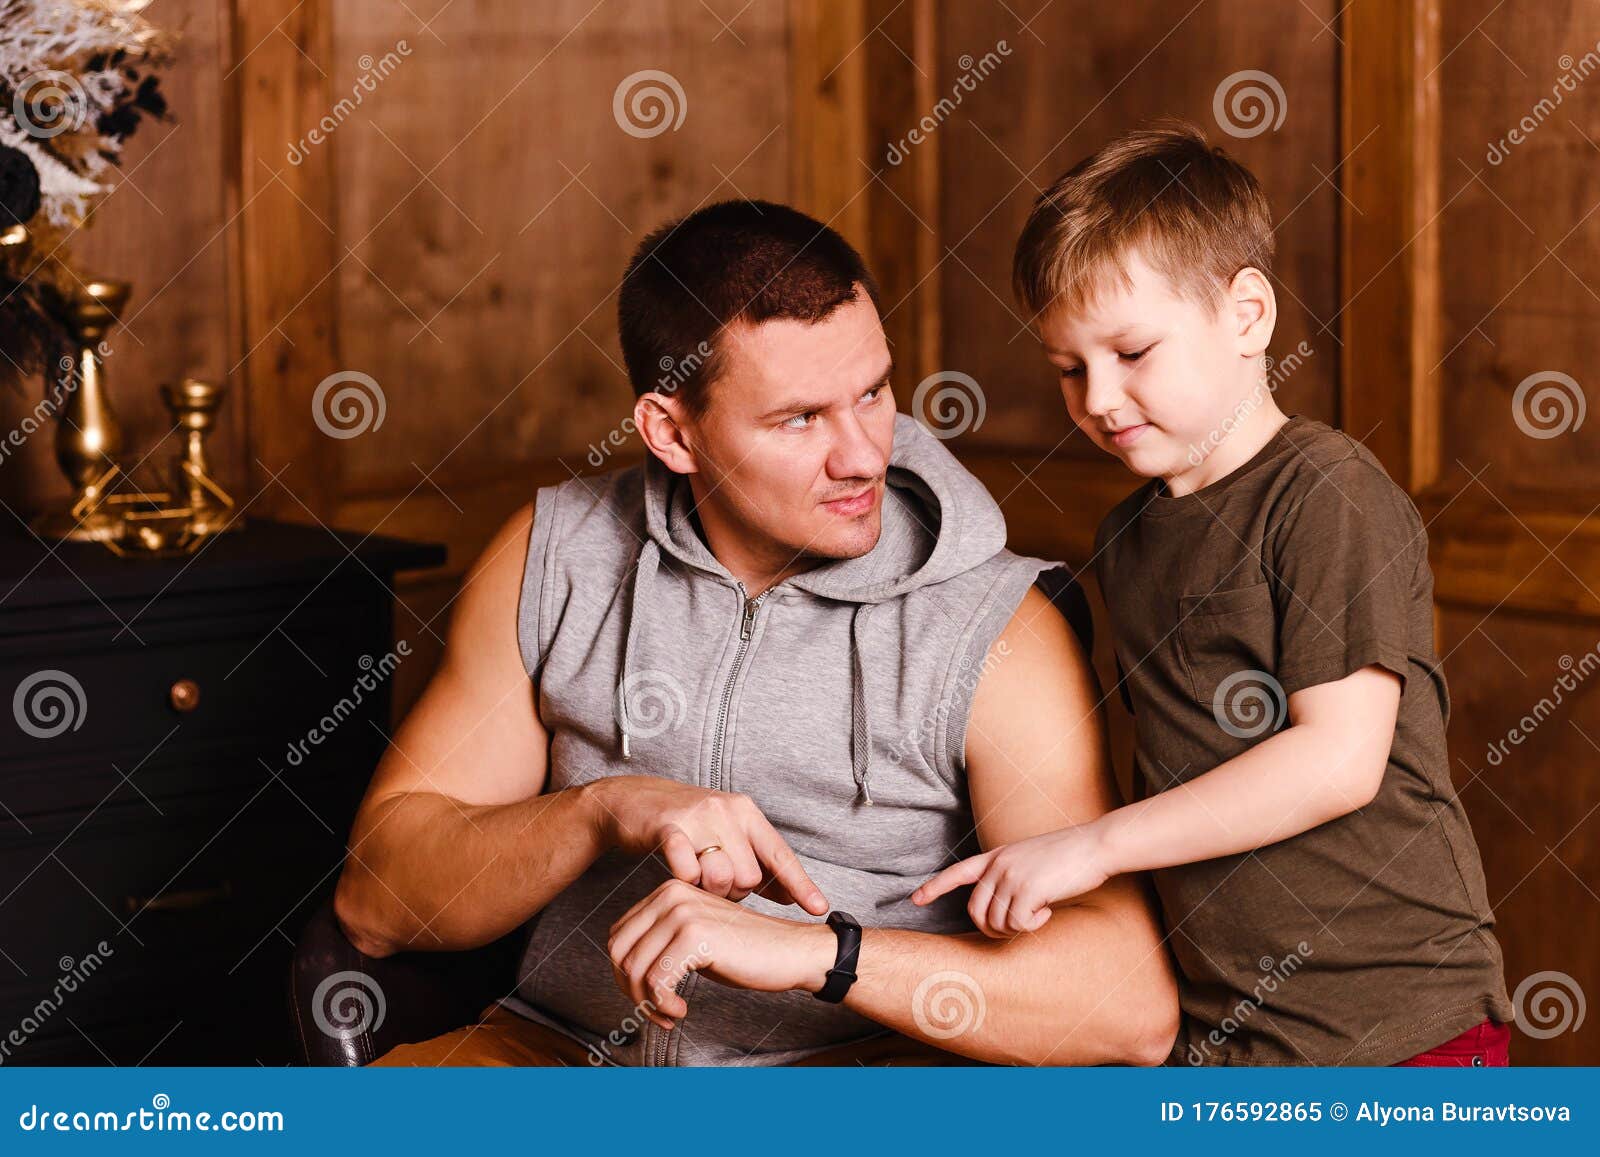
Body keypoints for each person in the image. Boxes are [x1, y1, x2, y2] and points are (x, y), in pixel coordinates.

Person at [334, 199, 1178, 1066]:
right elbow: (377, 899)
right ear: (672, 431)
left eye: (874, 393)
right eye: (800, 418)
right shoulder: (555, 557)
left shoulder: (996, 628)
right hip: (557, 1055)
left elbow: (1129, 1005)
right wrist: (601, 811)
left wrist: (824, 955)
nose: (862, 457)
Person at [916, 121, 1513, 1067]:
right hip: (1232, 1032)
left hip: (1395, 1025)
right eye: (1069, 368)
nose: (1099, 399)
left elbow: (1337, 762)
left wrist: (1095, 847)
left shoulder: (1324, 492)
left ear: (1246, 315)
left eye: (1133, 352)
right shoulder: (1129, 534)